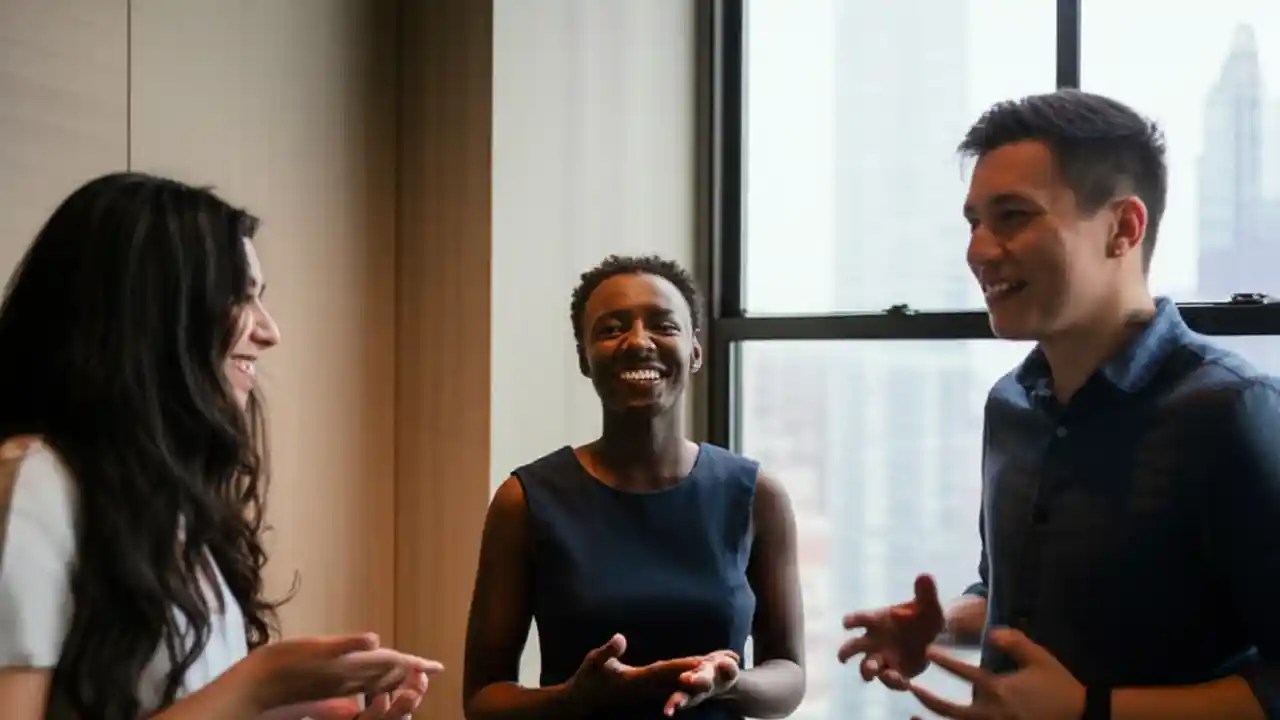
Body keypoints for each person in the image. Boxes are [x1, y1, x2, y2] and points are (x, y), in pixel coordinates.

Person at [837, 88, 1280, 720]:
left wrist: (1090, 710)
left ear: (1123, 228)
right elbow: (1018, 594)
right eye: (974, 221)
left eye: (1012, 216)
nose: (978, 250)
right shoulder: (1011, 404)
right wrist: (946, 625)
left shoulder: (1231, 411)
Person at [0, 172, 443, 720]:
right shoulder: (32, 481)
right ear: (153, 311)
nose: (269, 330)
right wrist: (258, 684)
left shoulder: (160, 507)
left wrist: (288, 708)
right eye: (241, 298)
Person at [462, 255, 805, 719]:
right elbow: (483, 699)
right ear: (584, 357)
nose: (639, 342)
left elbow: (789, 673)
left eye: (664, 325)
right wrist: (573, 699)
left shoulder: (756, 496)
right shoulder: (526, 500)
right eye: (611, 328)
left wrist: (729, 683)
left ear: (696, 351)